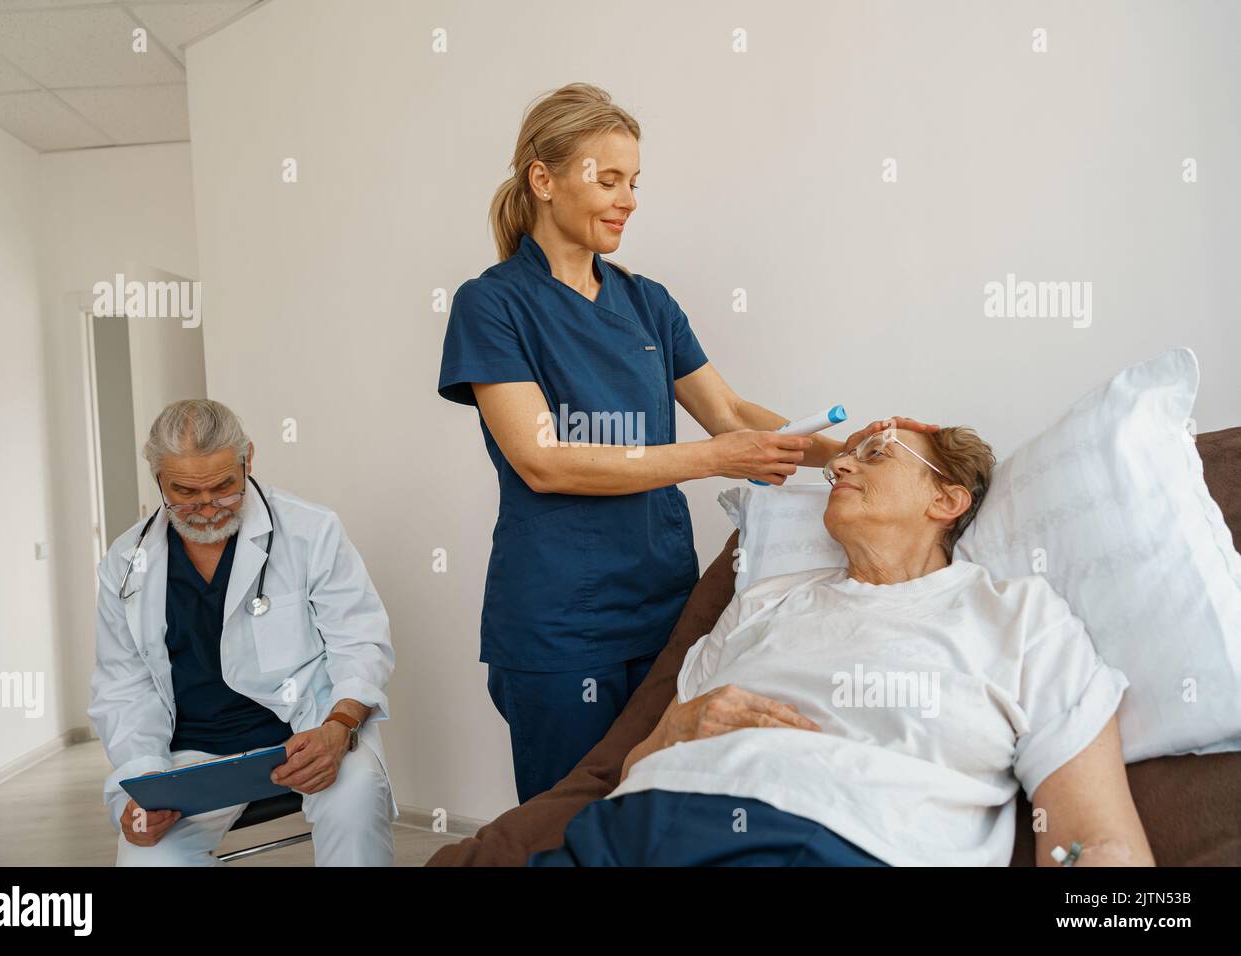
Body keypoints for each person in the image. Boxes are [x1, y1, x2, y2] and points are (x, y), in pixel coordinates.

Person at [437, 81, 937, 802]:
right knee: (569, 820)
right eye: (606, 179)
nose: (628, 198)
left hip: (663, 605)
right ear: (542, 181)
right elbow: (541, 460)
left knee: (663, 804)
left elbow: (729, 413)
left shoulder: (649, 302)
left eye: (633, 182)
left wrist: (844, 450)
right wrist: (710, 461)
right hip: (559, 620)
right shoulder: (492, 304)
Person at [531, 425, 1154, 866]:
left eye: (875, 454)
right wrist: (672, 729)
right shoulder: (761, 600)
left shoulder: (1018, 618)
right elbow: (635, 764)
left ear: (948, 499)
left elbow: (1093, 843)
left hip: (831, 838)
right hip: (619, 833)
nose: (841, 465)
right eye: (842, 458)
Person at [89, 399, 397, 865]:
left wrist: (339, 726)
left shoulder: (310, 531)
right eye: (185, 492)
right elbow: (122, 688)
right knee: (150, 859)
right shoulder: (126, 563)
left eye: (224, 488)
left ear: (247, 459)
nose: (207, 508)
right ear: (157, 477)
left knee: (354, 802)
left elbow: (360, 640)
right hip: (192, 760)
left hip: (309, 734)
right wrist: (145, 781)